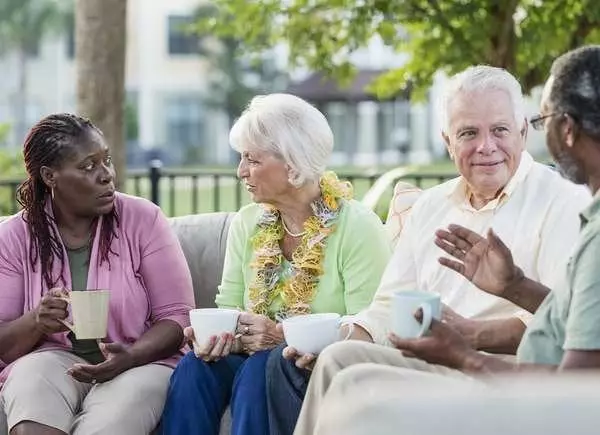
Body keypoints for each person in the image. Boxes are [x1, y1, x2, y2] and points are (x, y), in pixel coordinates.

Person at [294, 45, 600, 435]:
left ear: (531, 131)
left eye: (503, 130)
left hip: (511, 381)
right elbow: (392, 304)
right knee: (339, 356)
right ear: (447, 141)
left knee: (354, 383)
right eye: (469, 133)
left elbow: (578, 388)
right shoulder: (432, 205)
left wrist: (467, 347)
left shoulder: (569, 206)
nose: (486, 146)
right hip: (447, 360)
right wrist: (515, 286)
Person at [159, 93, 392, 435]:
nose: (241, 171)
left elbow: (369, 324)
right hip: (254, 359)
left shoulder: (357, 226)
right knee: (195, 367)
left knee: (262, 368)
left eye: (252, 160)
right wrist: (222, 338)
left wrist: (283, 336)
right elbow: (231, 306)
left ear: (293, 164)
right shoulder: (248, 223)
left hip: (317, 364)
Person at [0, 113, 195, 435]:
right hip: (53, 357)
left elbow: (177, 319)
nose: (106, 175)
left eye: (106, 161)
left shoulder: (143, 219)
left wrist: (131, 355)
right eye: (88, 166)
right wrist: (36, 320)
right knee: (32, 391)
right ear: (50, 176)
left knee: (110, 423)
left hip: (140, 360)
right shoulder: (15, 237)